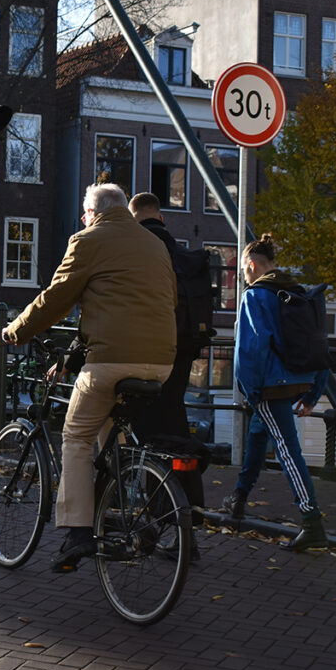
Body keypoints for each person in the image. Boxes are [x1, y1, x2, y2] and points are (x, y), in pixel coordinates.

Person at [1, 182, 177, 573]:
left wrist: (15, 331)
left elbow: (55, 297)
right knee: (107, 430)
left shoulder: (88, 239)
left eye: (84, 214)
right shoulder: (154, 244)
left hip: (111, 362)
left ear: (93, 212)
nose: (83, 220)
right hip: (161, 361)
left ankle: (78, 532)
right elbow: (147, 302)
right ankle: (114, 507)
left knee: (76, 436)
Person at [223, 233, 328, 551]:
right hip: (298, 379)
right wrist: (312, 393)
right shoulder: (295, 292)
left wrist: (250, 389)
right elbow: (318, 342)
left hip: (269, 384)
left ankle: (312, 523)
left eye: (243, 271)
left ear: (252, 265)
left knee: (287, 450)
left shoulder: (256, 296)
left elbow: (252, 348)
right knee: (258, 434)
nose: (244, 277)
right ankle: (239, 498)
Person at [128, 192, 206, 557]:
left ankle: (154, 524)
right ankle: (189, 525)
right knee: (175, 429)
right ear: (161, 216)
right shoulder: (180, 251)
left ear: (134, 217)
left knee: (149, 438)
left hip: (150, 352)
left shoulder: (141, 248)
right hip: (184, 351)